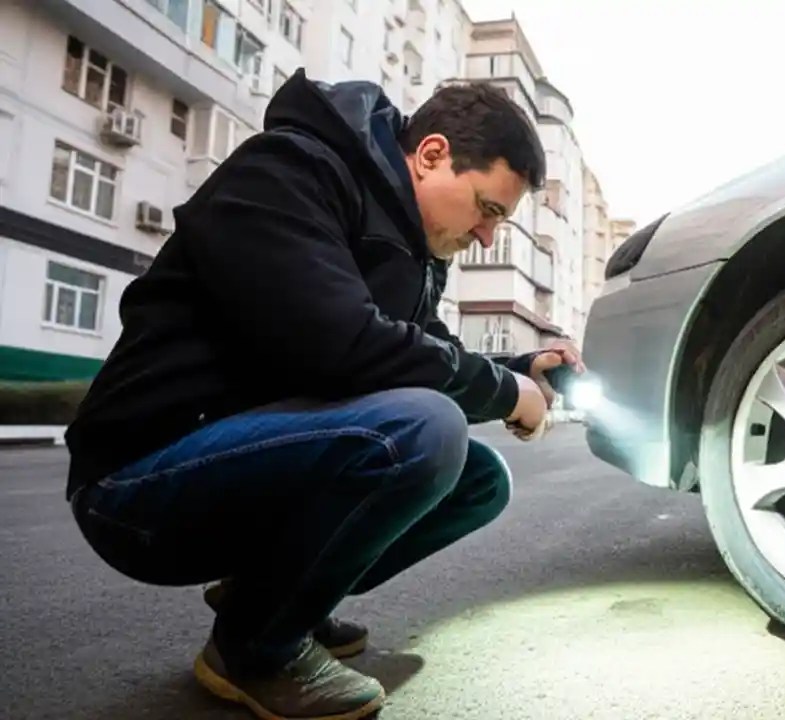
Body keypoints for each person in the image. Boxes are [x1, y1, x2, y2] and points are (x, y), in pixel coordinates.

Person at [63, 69, 583, 720]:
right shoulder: (289, 172)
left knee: (479, 480)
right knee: (426, 430)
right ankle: (254, 648)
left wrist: (522, 368)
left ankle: (271, 598)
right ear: (431, 155)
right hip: (139, 478)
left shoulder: (407, 242)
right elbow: (341, 342)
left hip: (241, 455)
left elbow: (420, 347)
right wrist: (503, 393)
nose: (486, 236)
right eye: (487, 209)